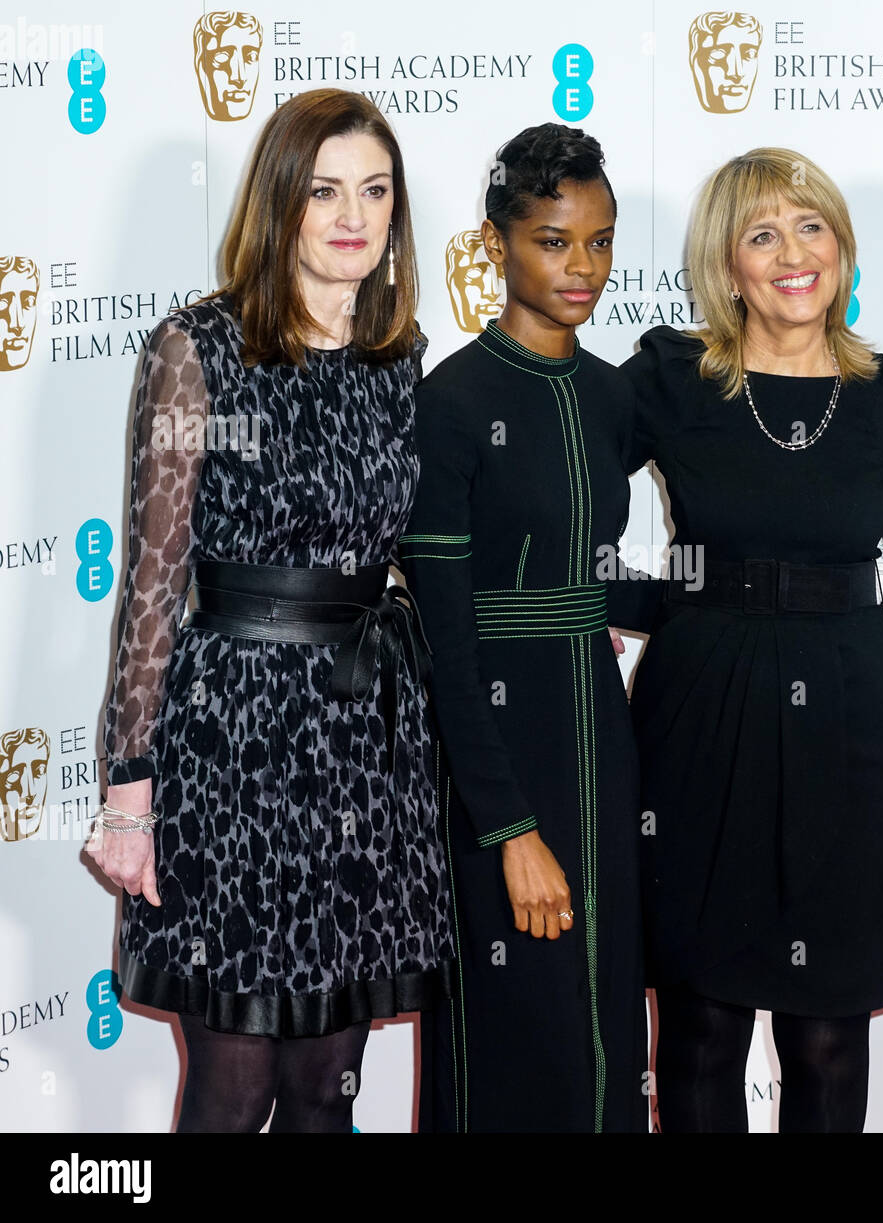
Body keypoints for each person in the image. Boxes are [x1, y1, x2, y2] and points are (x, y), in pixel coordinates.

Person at [87, 88, 452, 1133]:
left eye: (375, 191)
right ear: (281, 202)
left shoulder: (402, 360)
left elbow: (424, 559)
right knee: (232, 1084)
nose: (353, 214)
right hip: (232, 741)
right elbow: (153, 581)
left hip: (363, 744)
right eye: (325, 189)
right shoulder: (199, 346)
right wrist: (128, 786)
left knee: (329, 1082)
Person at [621, 147, 883, 1132]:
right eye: (761, 234)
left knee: (829, 1031)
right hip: (701, 714)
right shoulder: (674, 375)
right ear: (727, 267)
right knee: (703, 1023)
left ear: (842, 250)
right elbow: (553, 492)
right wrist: (660, 601)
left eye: (811, 227)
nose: (791, 252)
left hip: (849, 720)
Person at [400, 123, 647, 1134]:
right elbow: (446, 637)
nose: (579, 265)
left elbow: (588, 568)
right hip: (497, 752)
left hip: (599, 731)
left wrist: (748, 603)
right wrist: (506, 827)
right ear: (496, 241)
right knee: (509, 1026)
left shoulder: (609, 393)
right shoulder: (451, 402)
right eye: (552, 240)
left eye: (597, 240)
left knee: (600, 1024)